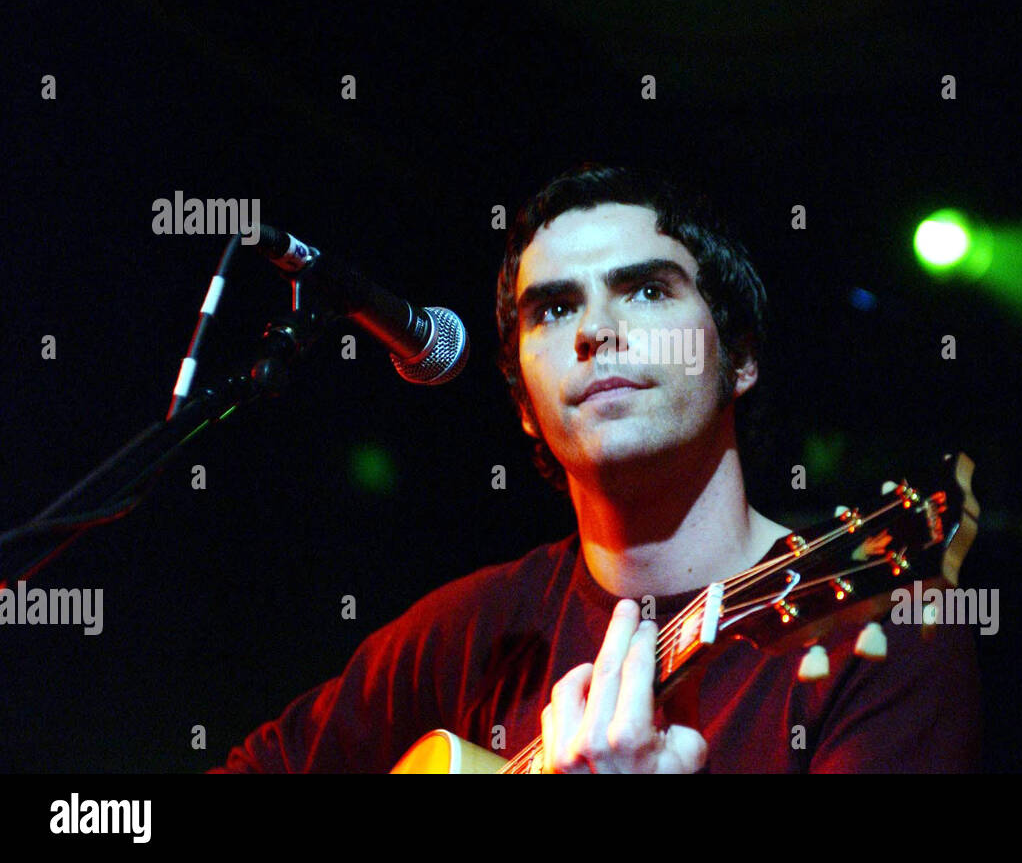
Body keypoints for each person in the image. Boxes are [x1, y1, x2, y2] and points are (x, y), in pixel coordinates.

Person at [211, 163, 981, 773]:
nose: (595, 332)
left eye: (645, 291)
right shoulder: (469, 633)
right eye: (552, 310)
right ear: (522, 401)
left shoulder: (880, 631)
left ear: (738, 358)